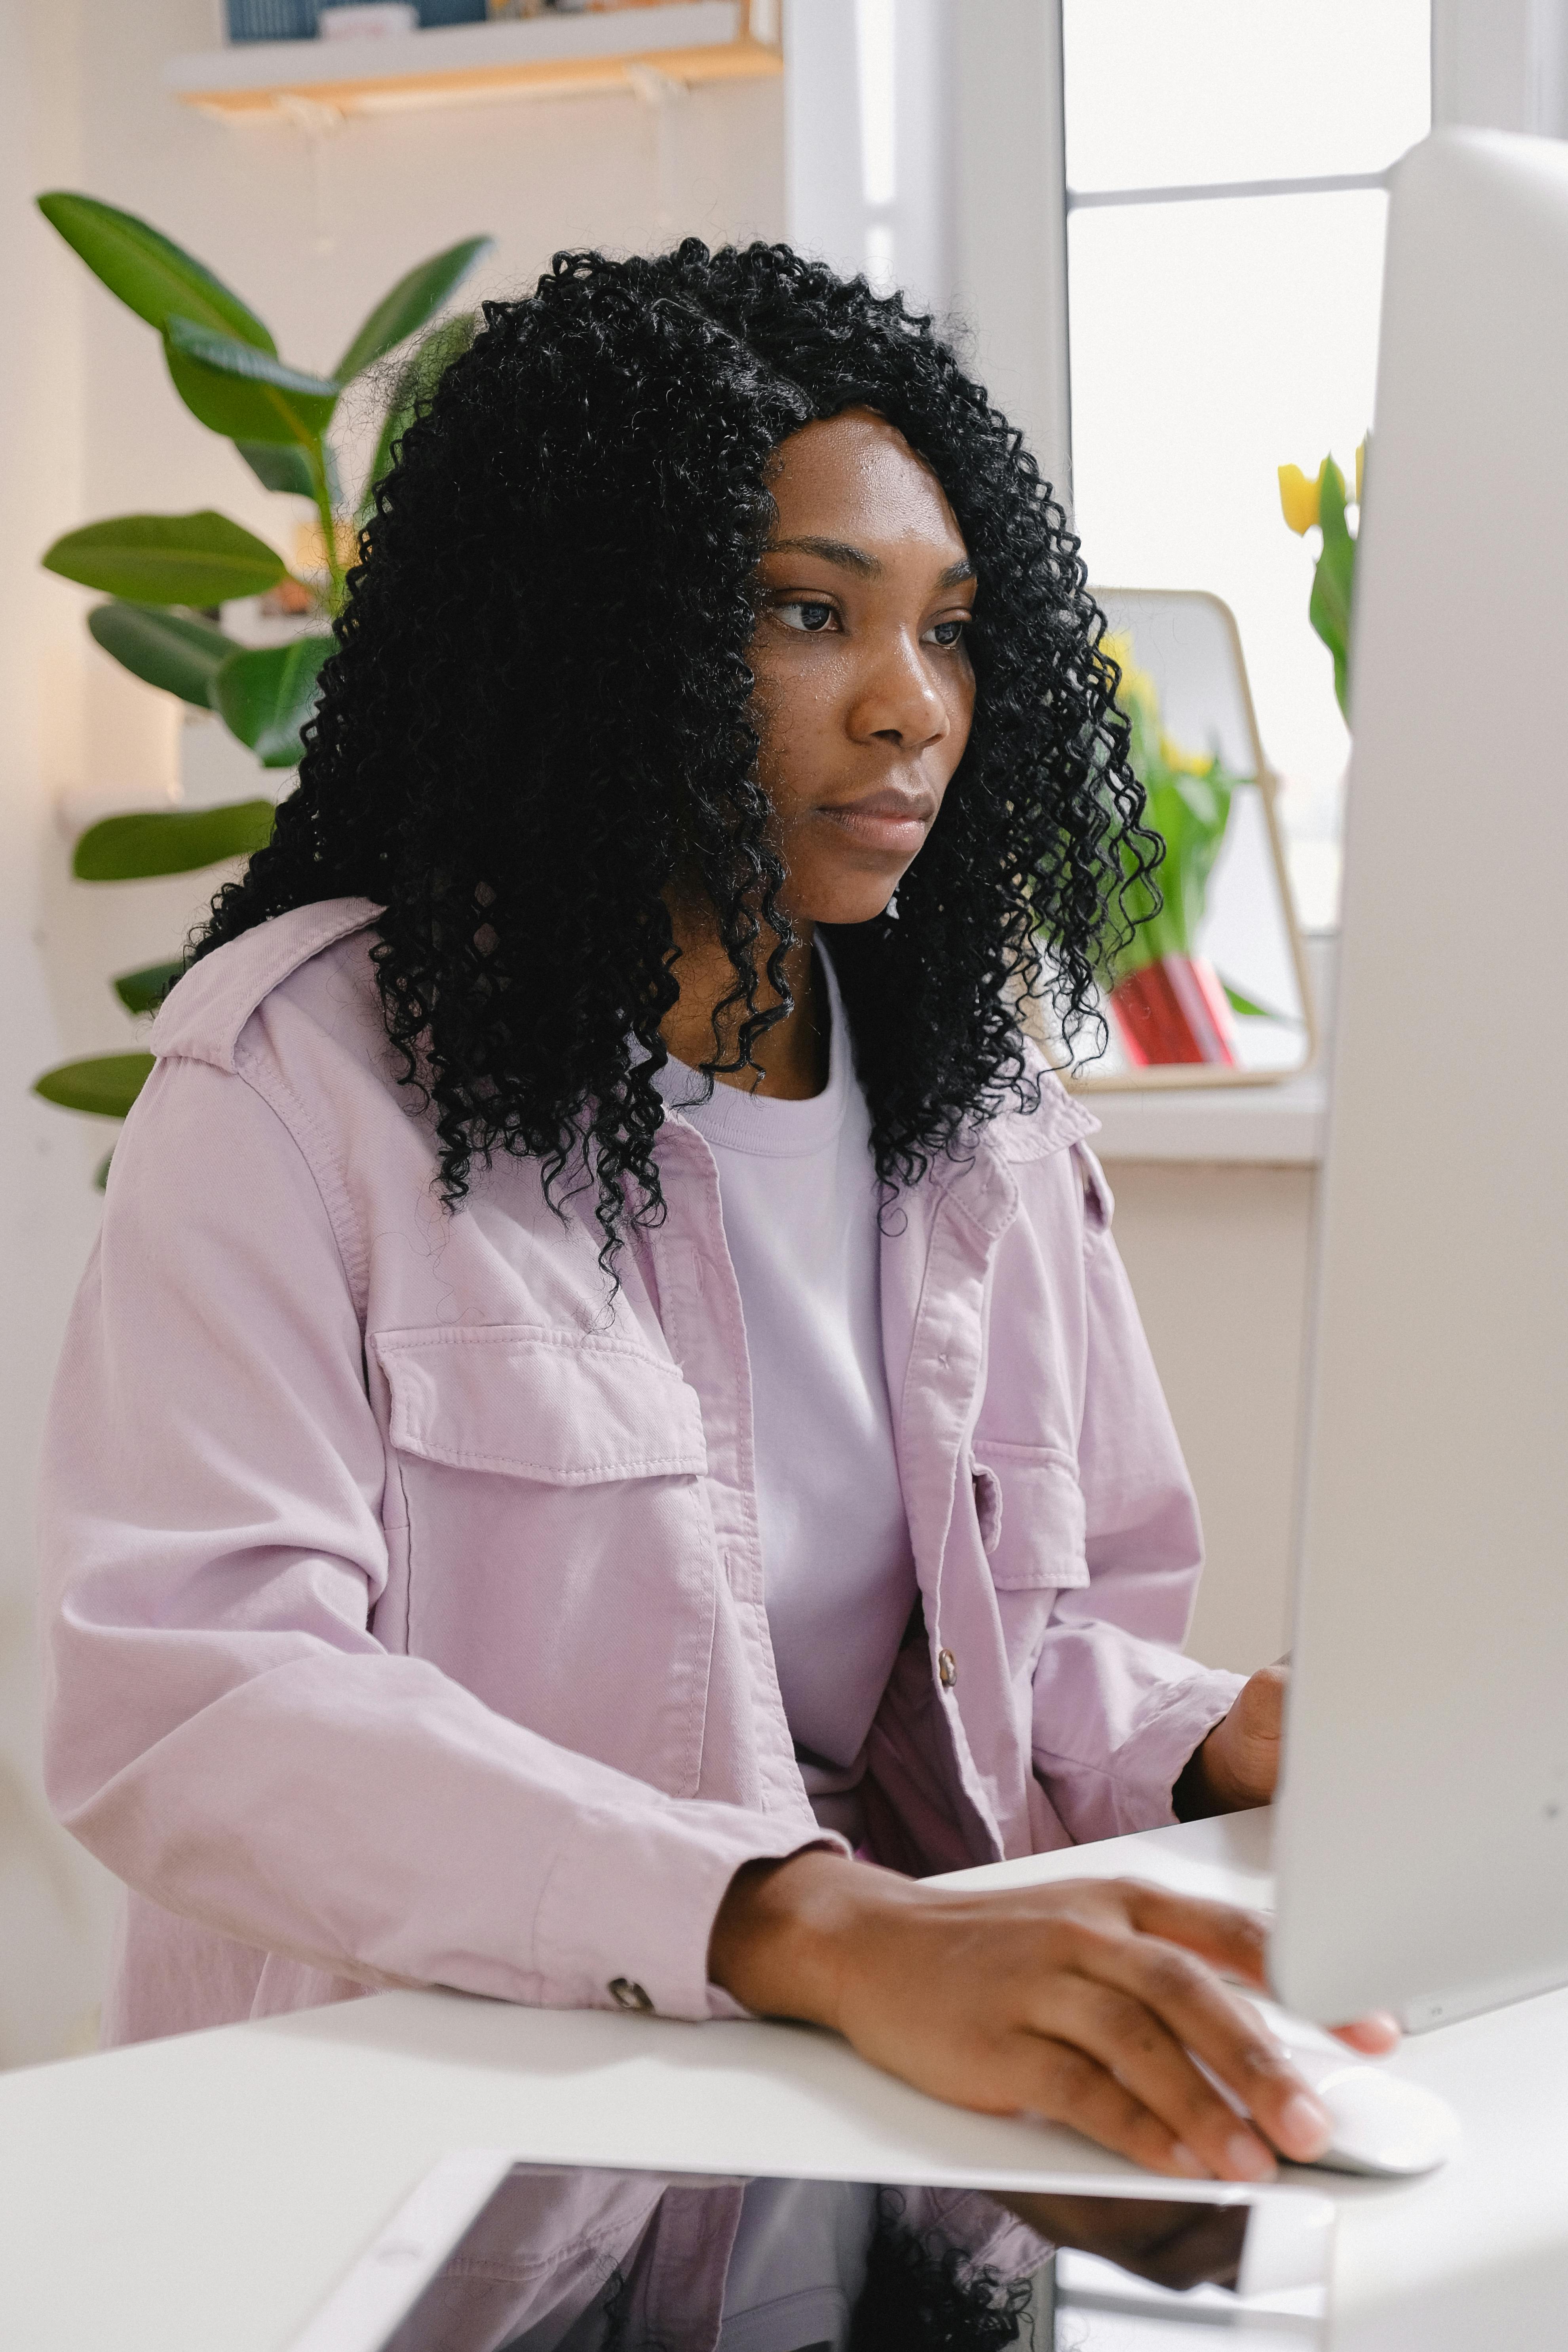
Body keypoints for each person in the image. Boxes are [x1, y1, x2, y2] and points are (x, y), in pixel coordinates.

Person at [38, 242, 1389, 2346]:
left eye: (947, 628)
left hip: (853, 2159)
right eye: (807, 611)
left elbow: (1041, 1648)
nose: (909, 701)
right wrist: (792, 1917)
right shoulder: (303, 1080)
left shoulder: (980, 1108)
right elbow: (201, 1704)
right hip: (414, 2192)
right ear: (602, 635)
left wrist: (1227, 1741)